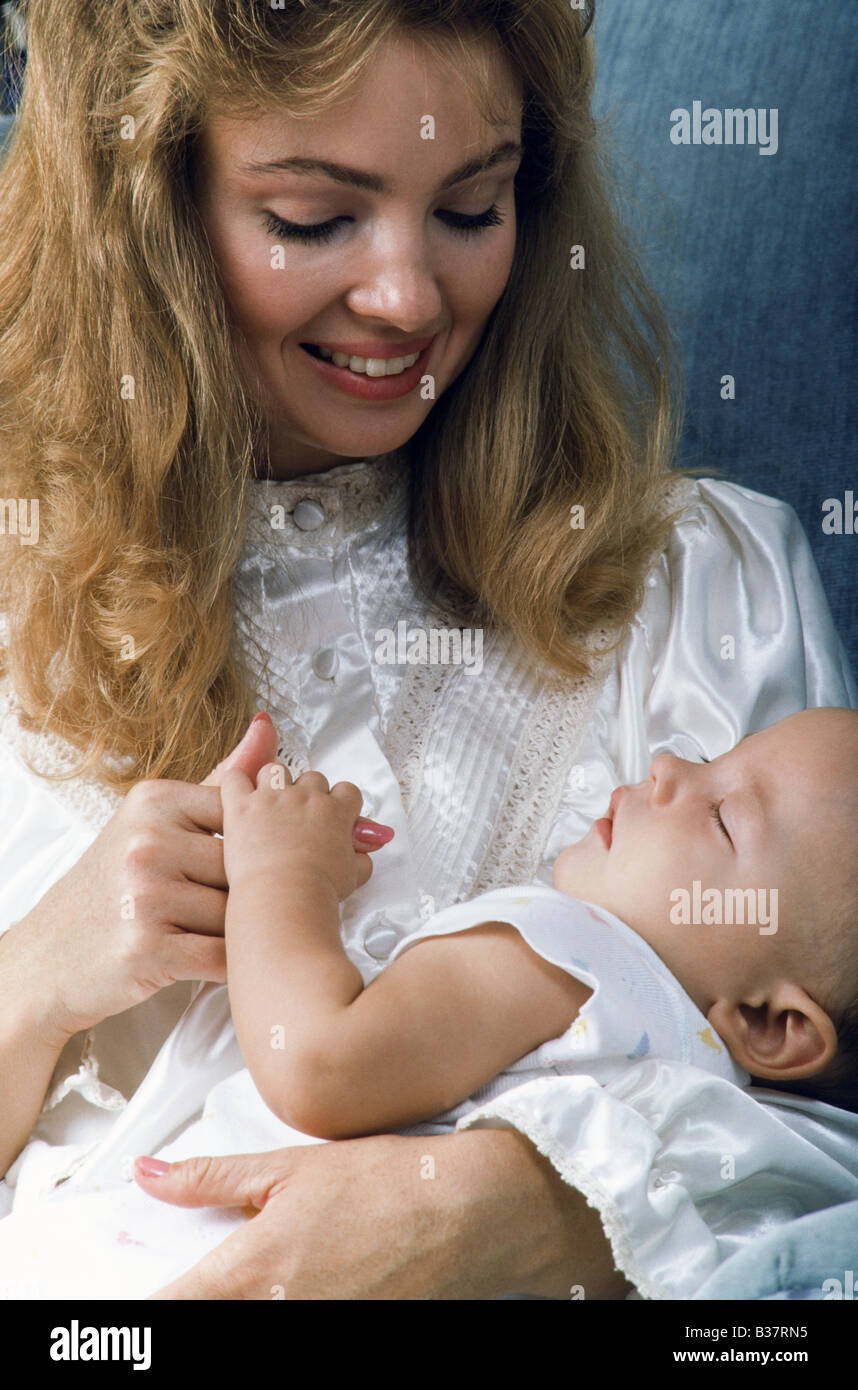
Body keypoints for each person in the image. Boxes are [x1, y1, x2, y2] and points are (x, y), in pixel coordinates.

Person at [0, 0, 856, 1301]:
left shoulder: (704, 587)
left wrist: (523, 1206)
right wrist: (32, 982)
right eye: (311, 218)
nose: (407, 296)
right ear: (144, 215)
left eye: (469, 208)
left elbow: (828, 1128)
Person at [219, 706, 858, 1140]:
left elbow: (316, 1068)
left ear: (771, 1025)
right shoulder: (721, 1114)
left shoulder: (573, 957)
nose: (669, 768)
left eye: (723, 817)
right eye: (714, 755)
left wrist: (281, 871)